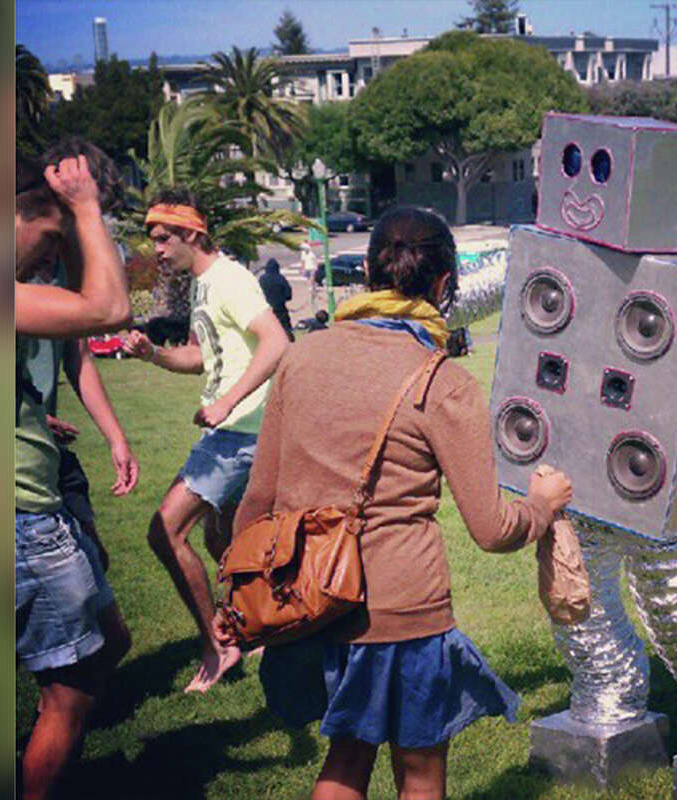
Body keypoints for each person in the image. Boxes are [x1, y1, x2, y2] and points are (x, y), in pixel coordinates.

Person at [225, 206, 573, 800]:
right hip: (404, 612)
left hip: (310, 603)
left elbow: (257, 498)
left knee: (345, 761)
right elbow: (490, 527)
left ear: (366, 269)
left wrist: (231, 592)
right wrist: (541, 506)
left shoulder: (300, 359)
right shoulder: (442, 381)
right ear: (443, 285)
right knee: (419, 774)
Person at [120, 187, 289, 693]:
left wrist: (225, 403)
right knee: (224, 541)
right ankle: (269, 627)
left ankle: (219, 646)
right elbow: (201, 356)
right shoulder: (203, 284)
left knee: (165, 530)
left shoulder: (230, 280)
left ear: (193, 233)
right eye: (153, 239)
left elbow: (277, 342)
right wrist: (154, 354)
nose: (159, 250)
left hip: (238, 433)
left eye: (165, 238)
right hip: (233, 429)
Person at [15, 153, 133, 800]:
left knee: (106, 643)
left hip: (31, 504)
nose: (51, 258)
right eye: (51, 239)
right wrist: (85, 207)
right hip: (19, 518)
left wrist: (32, 417)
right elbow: (109, 307)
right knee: (76, 682)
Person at [26, 138, 140, 574]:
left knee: (95, 569)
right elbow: (111, 310)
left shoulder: (55, 265)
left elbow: (79, 350)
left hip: (45, 451)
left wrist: (116, 437)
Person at [258, 257, 295, 341]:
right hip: (280, 308)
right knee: (286, 328)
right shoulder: (280, 278)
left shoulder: (262, 279)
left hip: (266, 309)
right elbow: (288, 295)